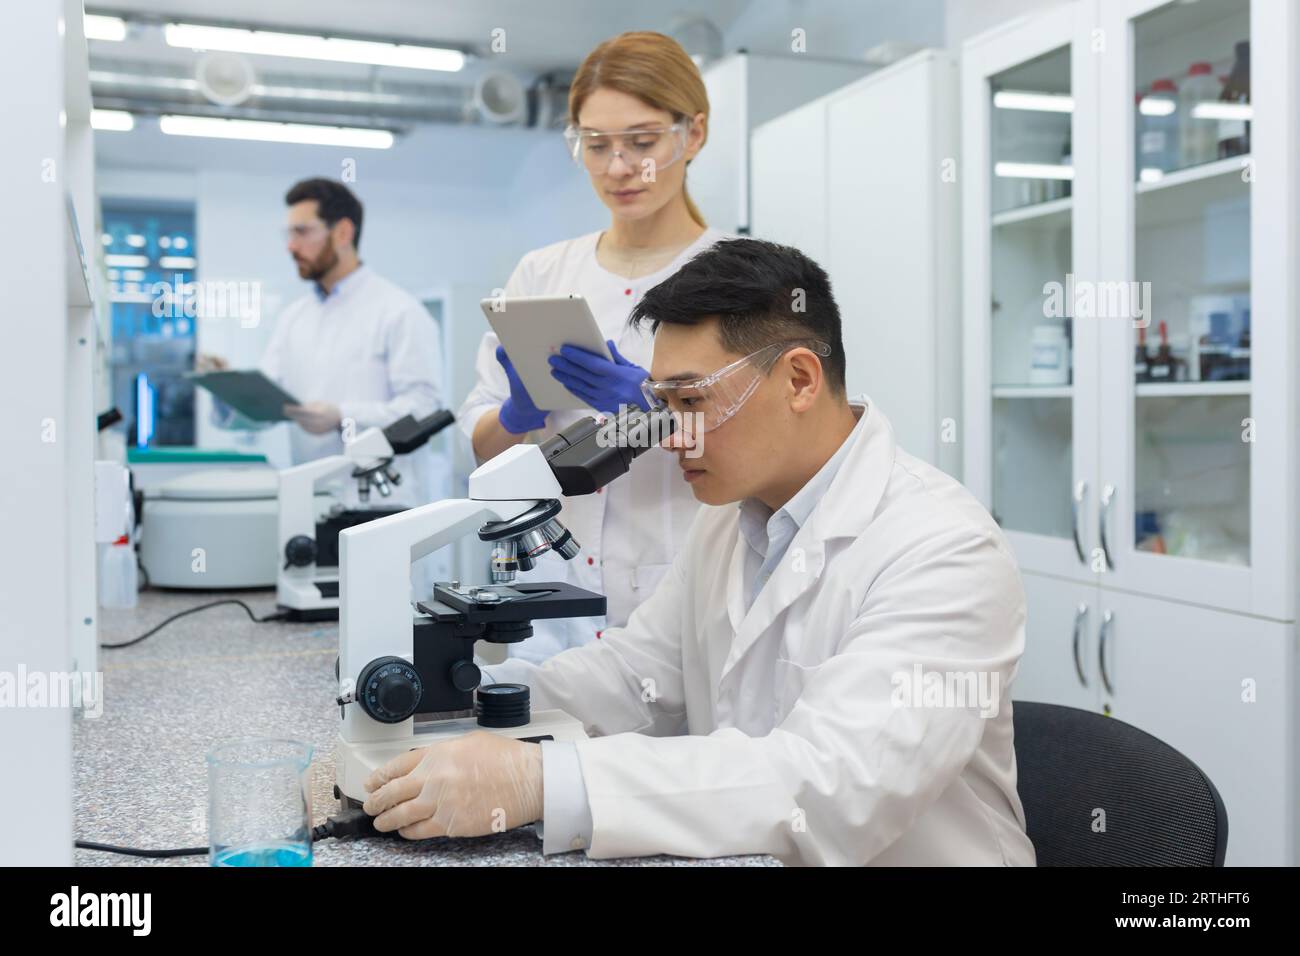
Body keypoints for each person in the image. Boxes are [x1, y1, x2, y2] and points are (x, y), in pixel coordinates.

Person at [360, 239, 1037, 867]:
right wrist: (463, 700)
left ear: (800, 379)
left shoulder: (941, 547)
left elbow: (831, 785)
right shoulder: (730, 521)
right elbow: (638, 676)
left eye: (690, 400)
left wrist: (540, 779)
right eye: (660, 402)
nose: (667, 432)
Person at [458, 32, 729, 664]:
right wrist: (519, 417)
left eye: (641, 142)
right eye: (595, 144)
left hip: (682, 590)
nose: (616, 167)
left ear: (692, 135)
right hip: (550, 595)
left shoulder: (736, 275)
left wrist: (659, 411)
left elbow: (770, 448)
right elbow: (482, 450)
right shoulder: (543, 273)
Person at [198, 178, 443, 510]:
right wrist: (228, 390)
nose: (290, 246)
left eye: (302, 232)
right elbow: (267, 408)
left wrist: (343, 416)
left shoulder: (399, 311)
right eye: (288, 234)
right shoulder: (293, 318)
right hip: (310, 502)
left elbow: (424, 410)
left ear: (342, 233)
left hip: (383, 509)